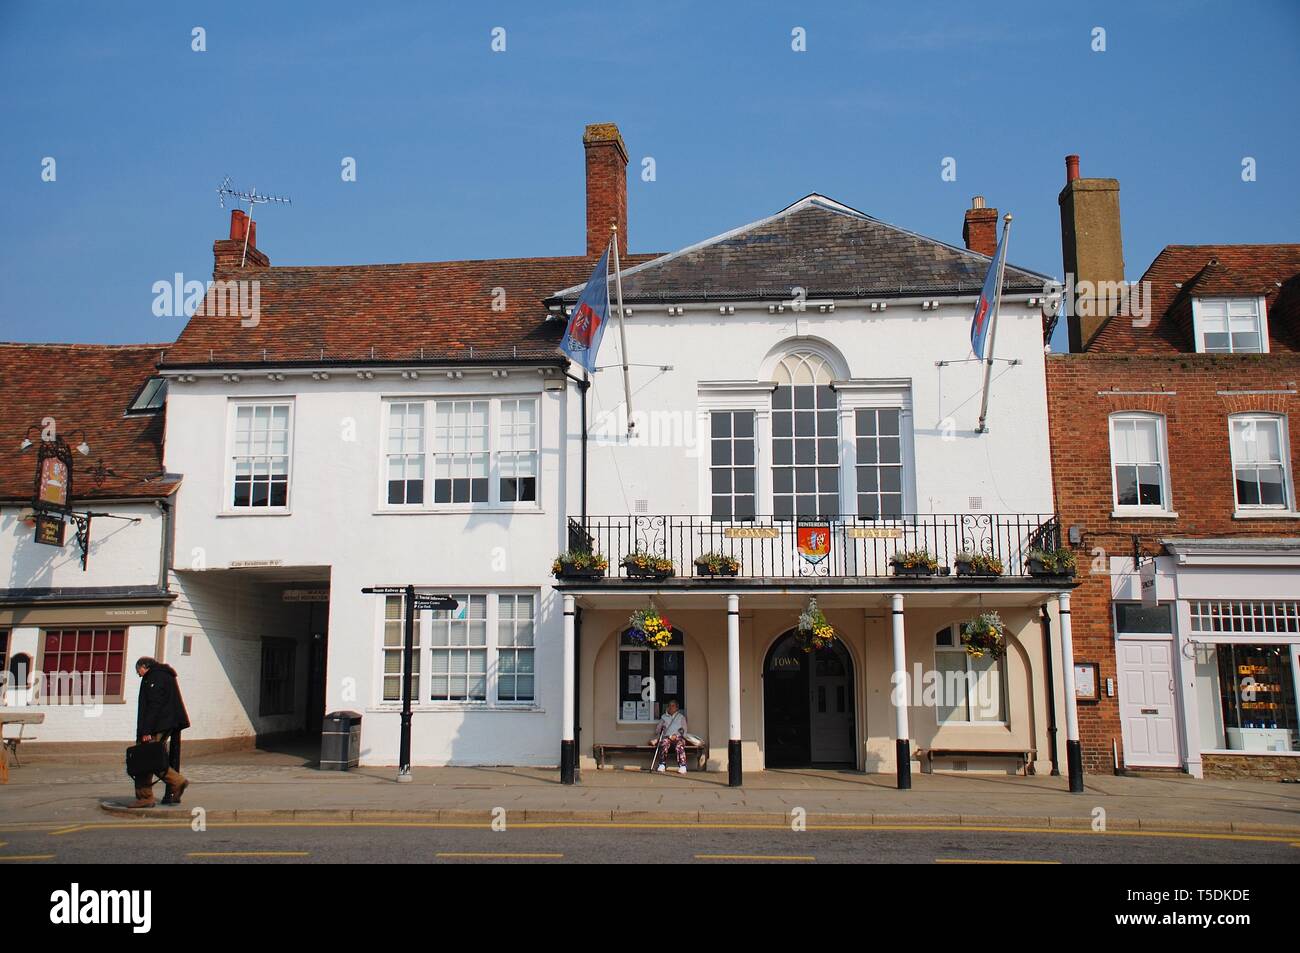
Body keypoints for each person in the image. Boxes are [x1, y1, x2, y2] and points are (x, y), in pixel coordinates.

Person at [128, 657, 191, 808]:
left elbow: (154, 705)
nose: (139, 675)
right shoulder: (165, 675)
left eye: (139, 671)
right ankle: (173, 783)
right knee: (151, 758)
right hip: (165, 723)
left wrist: (146, 730)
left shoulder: (154, 678)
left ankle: (147, 795)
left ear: (145, 666)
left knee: (144, 759)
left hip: (156, 725)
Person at [652, 698, 689, 774]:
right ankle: (662, 764)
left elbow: (684, 731)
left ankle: (682, 765)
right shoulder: (664, 717)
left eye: (673, 705)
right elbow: (657, 731)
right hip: (667, 737)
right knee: (664, 743)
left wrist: (677, 735)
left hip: (678, 737)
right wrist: (661, 727)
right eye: (669, 706)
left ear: (677, 707)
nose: (670, 707)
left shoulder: (681, 717)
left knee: (679, 745)